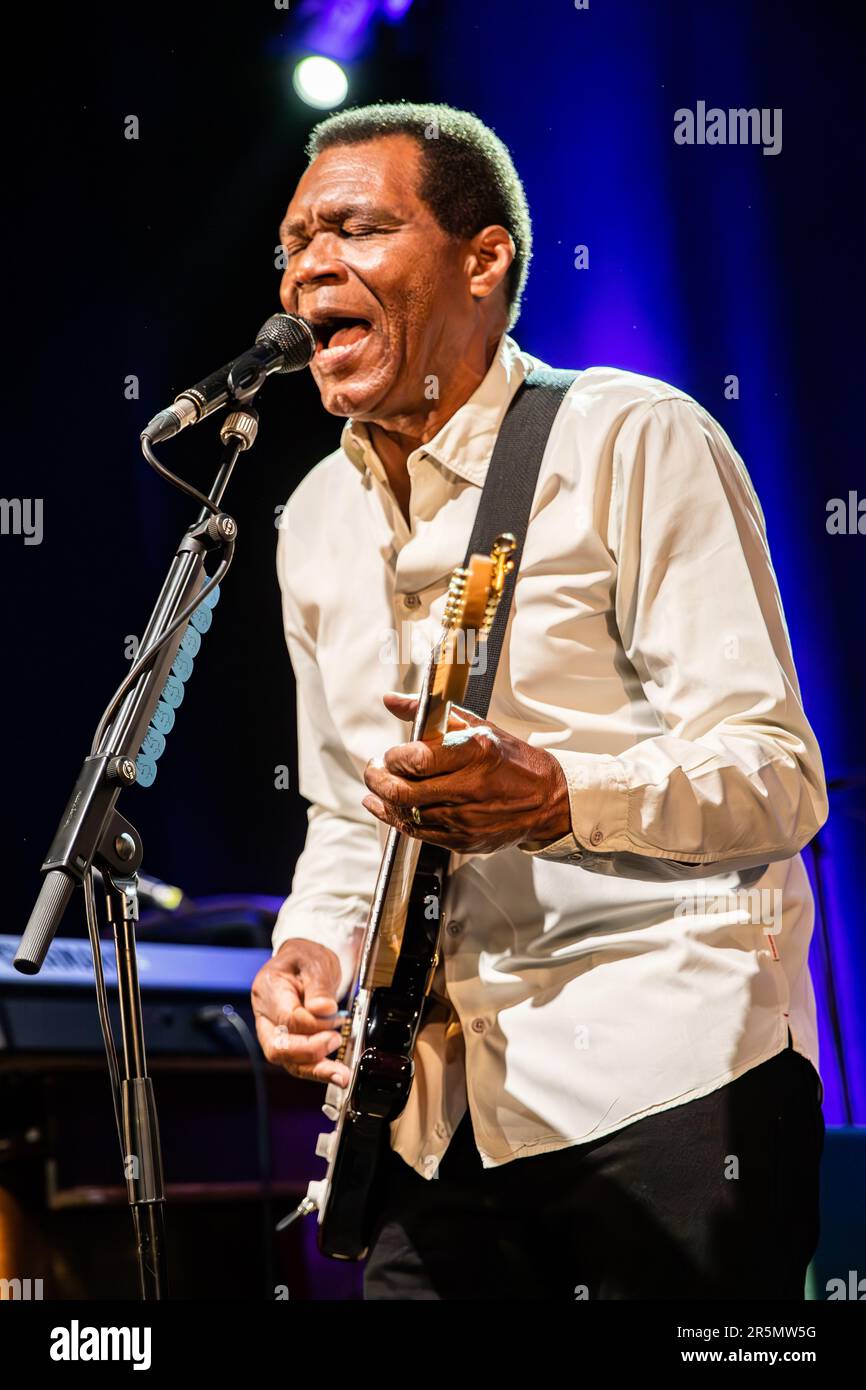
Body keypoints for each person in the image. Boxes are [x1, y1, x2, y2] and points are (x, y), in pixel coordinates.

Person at [251, 103, 827, 1300]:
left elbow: (775, 773)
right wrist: (307, 944)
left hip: (663, 1083)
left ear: (482, 259)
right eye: (294, 241)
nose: (310, 264)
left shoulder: (630, 440)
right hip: (427, 1116)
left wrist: (560, 794)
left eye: (354, 227)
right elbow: (347, 813)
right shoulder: (308, 519)